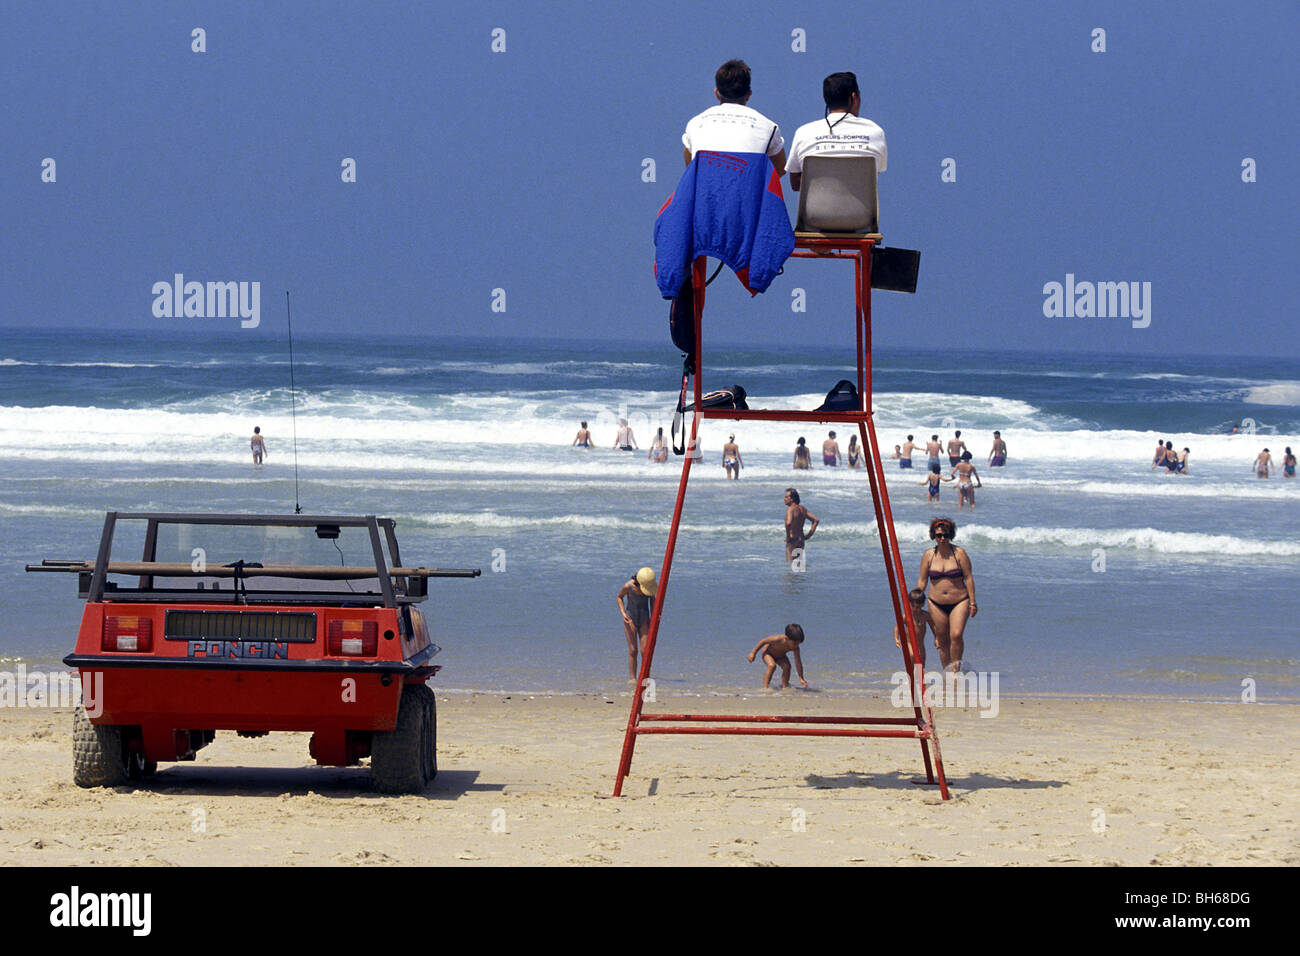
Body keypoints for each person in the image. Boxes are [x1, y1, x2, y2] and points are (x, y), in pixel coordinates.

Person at [682, 60, 786, 177]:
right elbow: (779, 171)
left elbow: (692, 169)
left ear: (716, 93)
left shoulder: (694, 124)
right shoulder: (769, 127)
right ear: (749, 95)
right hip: (749, 194)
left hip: (705, 193)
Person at [786, 71, 886, 193]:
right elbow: (874, 173)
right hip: (861, 211)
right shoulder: (875, 131)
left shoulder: (804, 132)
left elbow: (795, 184)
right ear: (853, 98)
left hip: (816, 211)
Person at [917, 517, 977, 673]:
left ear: (951, 535)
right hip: (935, 603)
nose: (943, 539)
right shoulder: (929, 555)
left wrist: (972, 602)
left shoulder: (959, 553)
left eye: (946, 535)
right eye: (939, 535)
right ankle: (947, 672)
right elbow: (922, 581)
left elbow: (969, 578)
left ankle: (956, 670)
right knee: (942, 640)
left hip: (959, 601)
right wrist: (915, 602)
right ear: (934, 536)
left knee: (956, 635)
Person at [617, 568, 657, 682]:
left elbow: (653, 601)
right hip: (631, 618)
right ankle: (633, 678)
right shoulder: (628, 586)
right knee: (633, 650)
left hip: (644, 617)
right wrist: (623, 612)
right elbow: (619, 597)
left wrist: (655, 616)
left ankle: (645, 676)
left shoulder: (649, 589)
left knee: (645, 651)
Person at [747, 624, 807, 689]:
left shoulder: (796, 648)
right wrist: (753, 653)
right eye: (794, 643)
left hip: (781, 657)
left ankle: (785, 686)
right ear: (786, 638)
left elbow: (798, 662)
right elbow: (763, 641)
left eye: (798, 643)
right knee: (772, 665)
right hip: (768, 653)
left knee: (787, 667)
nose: (796, 646)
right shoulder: (777, 639)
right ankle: (765, 687)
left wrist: (801, 677)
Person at [893, 588, 933, 671]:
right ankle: (910, 678)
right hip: (909, 643)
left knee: (921, 663)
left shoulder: (925, 615)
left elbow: (933, 626)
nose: (917, 610)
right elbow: (897, 627)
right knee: (911, 656)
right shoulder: (907, 616)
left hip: (921, 644)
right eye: (914, 607)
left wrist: (937, 638)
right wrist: (896, 638)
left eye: (920, 607)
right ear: (909, 604)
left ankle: (920, 680)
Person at [783, 488, 818, 563]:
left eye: (786, 497)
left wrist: (788, 537)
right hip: (801, 540)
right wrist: (808, 535)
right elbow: (815, 520)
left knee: (790, 566)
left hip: (792, 540)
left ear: (792, 499)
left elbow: (788, 523)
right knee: (798, 566)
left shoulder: (790, 509)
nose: (784, 499)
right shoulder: (802, 509)